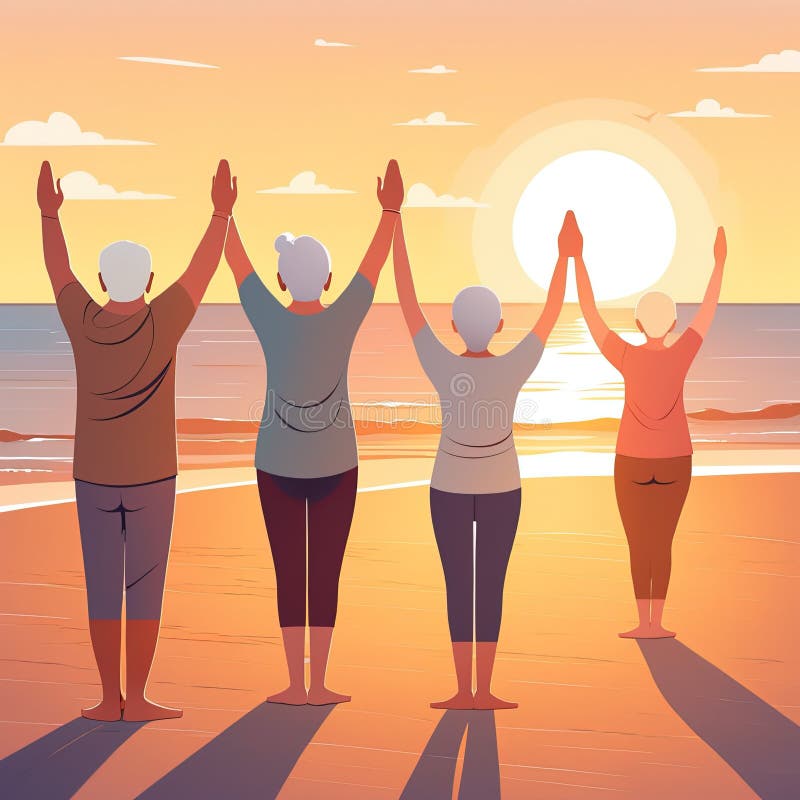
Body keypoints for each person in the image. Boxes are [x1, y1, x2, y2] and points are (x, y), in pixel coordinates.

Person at [37, 159, 238, 721]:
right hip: (154, 475)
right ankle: (139, 697)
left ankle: (108, 699)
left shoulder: (82, 319)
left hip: (93, 472)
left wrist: (49, 216)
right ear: (150, 282)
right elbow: (203, 268)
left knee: (103, 582)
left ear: (102, 282)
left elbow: (58, 269)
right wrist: (221, 212)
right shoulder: (164, 319)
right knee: (145, 584)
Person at [224, 160, 404, 705]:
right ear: (329, 279)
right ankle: (319, 682)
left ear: (281, 280)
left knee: (288, 569)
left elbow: (238, 266)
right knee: (325, 570)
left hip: (275, 461)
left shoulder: (267, 313)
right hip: (337, 463)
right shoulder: (344, 312)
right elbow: (373, 269)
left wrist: (224, 214)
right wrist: (390, 212)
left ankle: (293, 683)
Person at [393, 209, 575, 710]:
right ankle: (485, 689)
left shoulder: (439, 361)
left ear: (451, 325)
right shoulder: (515, 365)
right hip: (503, 488)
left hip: (447, 485)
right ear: (499, 324)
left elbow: (407, 301)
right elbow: (551, 312)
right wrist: (564, 257)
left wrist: (394, 223)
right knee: (490, 581)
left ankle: (461, 689)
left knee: (458, 582)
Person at [573, 216, 727, 639]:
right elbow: (709, 311)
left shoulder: (626, 355)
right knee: (663, 541)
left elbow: (590, 315)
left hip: (632, 460)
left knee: (638, 543)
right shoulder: (682, 353)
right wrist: (719, 265)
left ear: (639, 325)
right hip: (677, 459)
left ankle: (643, 623)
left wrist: (577, 260)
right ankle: (658, 623)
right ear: (673, 324)